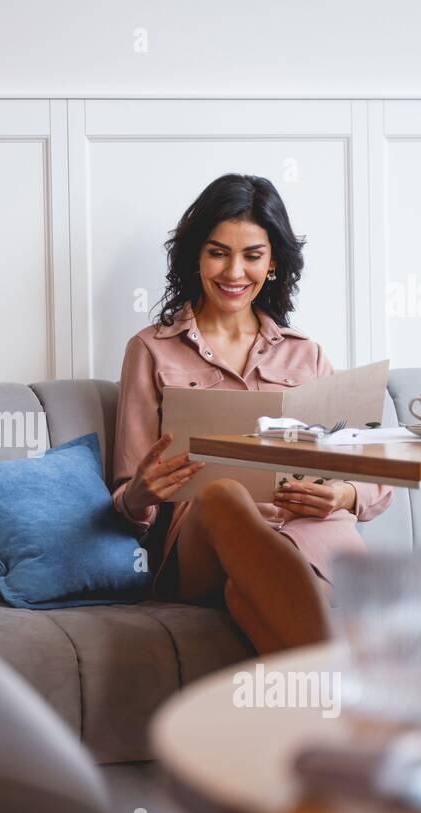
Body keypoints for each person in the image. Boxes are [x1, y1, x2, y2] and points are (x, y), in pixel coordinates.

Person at [111, 173, 392, 654]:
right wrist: (139, 494)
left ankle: (316, 705)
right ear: (195, 258)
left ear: (274, 263)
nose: (234, 272)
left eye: (252, 255)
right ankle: (347, 701)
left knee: (248, 595)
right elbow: (128, 494)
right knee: (223, 493)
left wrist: (342, 494)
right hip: (204, 537)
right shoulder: (150, 350)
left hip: (309, 529)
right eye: (218, 252)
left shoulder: (307, 355)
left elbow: (374, 473)